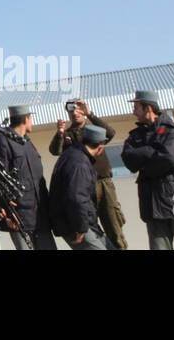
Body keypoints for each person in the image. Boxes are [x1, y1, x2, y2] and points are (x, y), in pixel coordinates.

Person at [121, 89, 174, 250]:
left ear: (148, 108)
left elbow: (172, 158)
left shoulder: (171, 130)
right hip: (152, 203)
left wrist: (145, 162)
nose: (133, 112)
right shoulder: (135, 135)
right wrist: (152, 152)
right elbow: (128, 159)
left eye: (136, 107)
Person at [50, 99, 127, 249]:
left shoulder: (95, 131)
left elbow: (110, 133)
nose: (75, 114)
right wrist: (59, 134)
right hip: (81, 186)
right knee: (89, 224)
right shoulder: (68, 134)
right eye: (71, 111)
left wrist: (90, 114)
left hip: (102, 183)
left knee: (113, 225)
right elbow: (55, 151)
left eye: (79, 110)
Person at [0, 104, 57, 249]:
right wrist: (7, 211)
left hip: (41, 217)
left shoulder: (28, 143)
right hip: (20, 218)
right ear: (26, 119)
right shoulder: (3, 141)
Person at [49, 123, 111, 250]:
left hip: (79, 221)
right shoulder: (79, 163)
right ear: (100, 147)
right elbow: (76, 198)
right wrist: (81, 228)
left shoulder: (72, 154)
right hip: (75, 225)